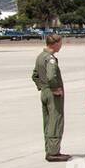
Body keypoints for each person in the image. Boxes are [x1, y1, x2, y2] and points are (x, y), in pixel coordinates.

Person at [31, 33, 69, 161]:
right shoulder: (50, 59)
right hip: (52, 94)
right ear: (55, 43)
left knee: (47, 123)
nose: (61, 46)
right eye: (60, 43)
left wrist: (42, 87)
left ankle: (49, 149)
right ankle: (54, 152)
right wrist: (54, 88)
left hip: (44, 92)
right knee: (55, 121)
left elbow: (35, 76)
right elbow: (52, 76)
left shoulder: (40, 57)